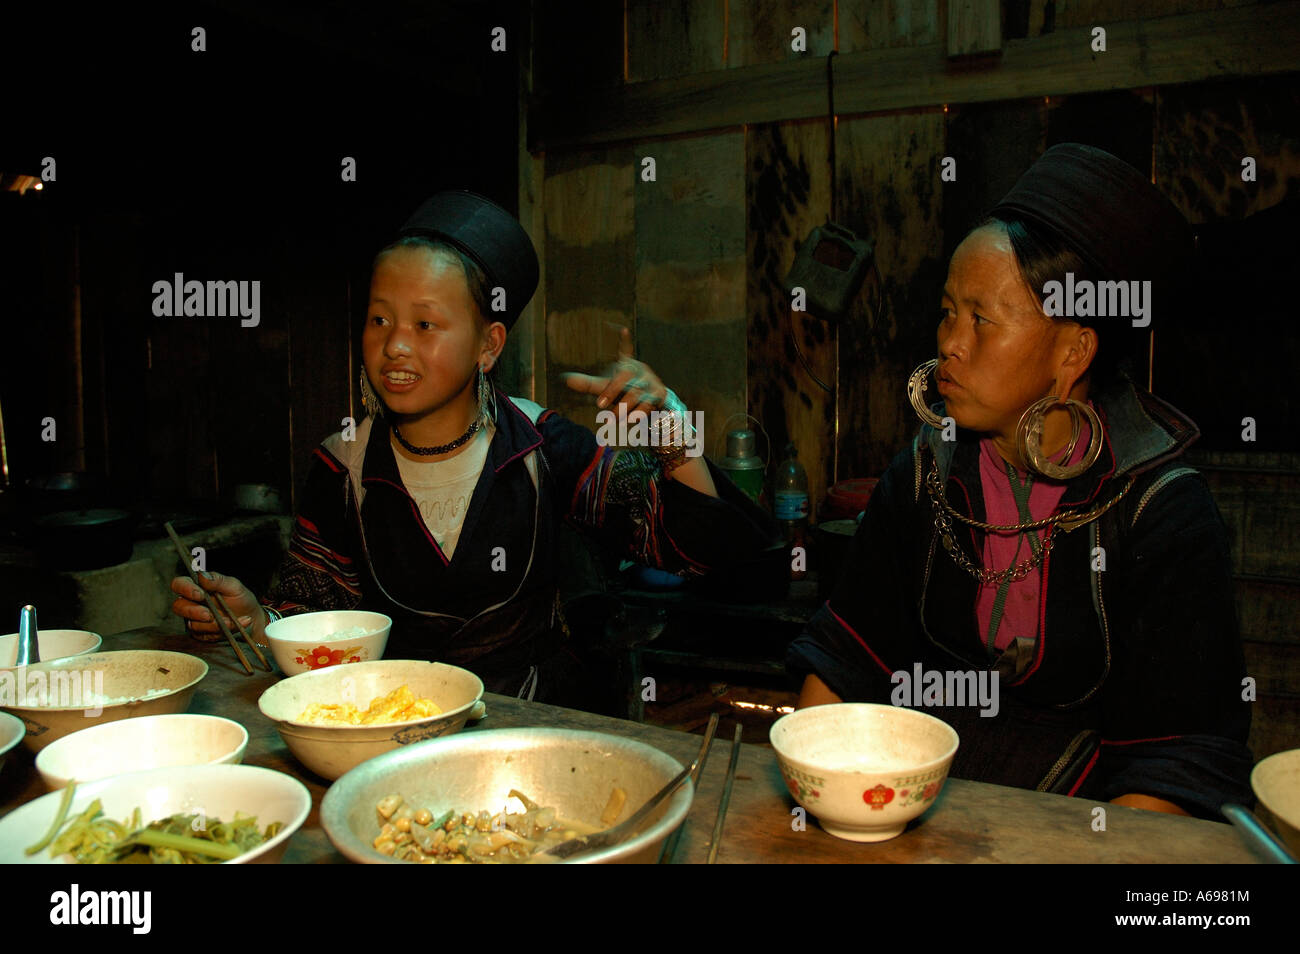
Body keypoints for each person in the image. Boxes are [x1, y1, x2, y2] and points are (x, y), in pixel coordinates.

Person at [786, 144, 1253, 819]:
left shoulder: (1160, 510)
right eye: (948, 311)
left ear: (1072, 351)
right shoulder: (926, 471)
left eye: (982, 319)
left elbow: (1179, 759)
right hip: (925, 795)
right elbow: (845, 654)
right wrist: (815, 798)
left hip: (1090, 817)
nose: (950, 341)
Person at [171, 190, 772, 706]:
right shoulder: (344, 464)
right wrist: (256, 622)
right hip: (389, 728)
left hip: (528, 727)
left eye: (425, 325)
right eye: (380, 321)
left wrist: (668, 431)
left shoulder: (542, 447)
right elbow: (316, 624)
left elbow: (698, 552)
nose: (395, 346)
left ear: (489, 345)